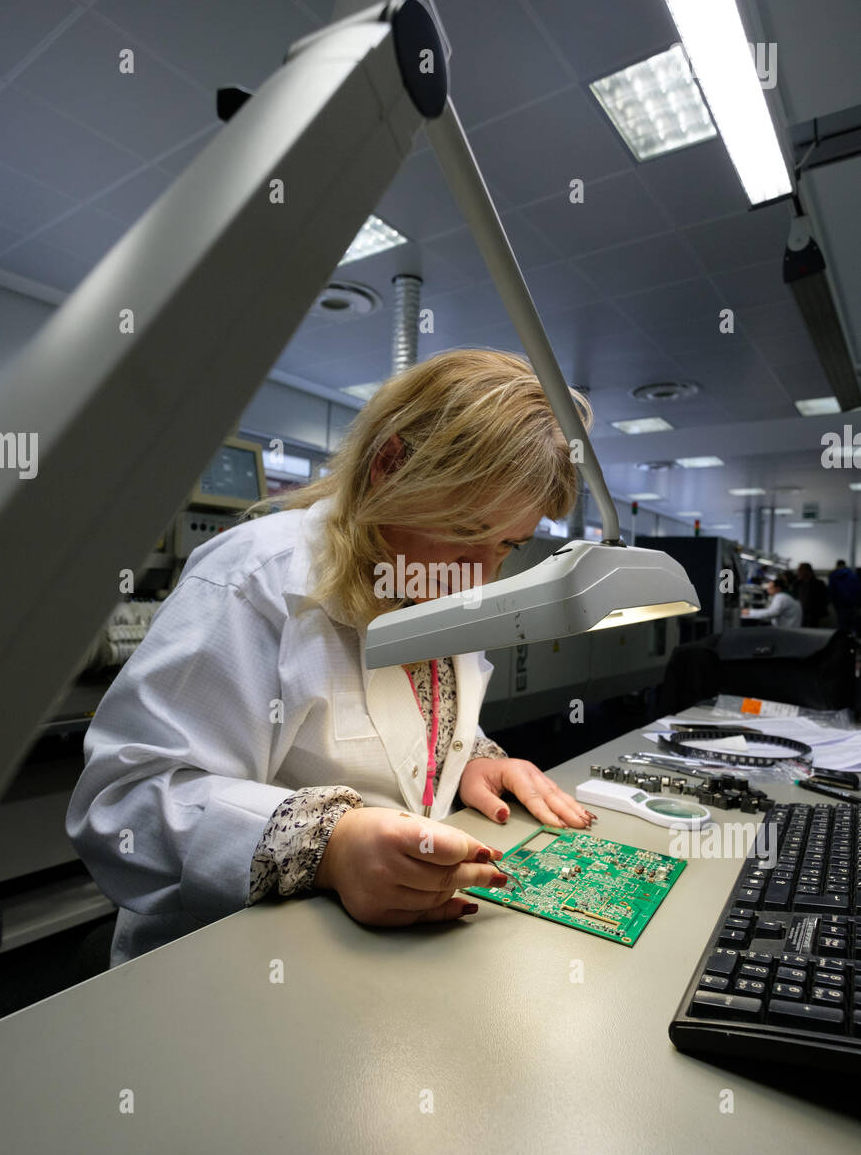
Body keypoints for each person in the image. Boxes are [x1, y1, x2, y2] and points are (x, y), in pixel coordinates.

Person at [66, 349, 597, 966]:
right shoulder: (257, 579)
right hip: (220, 965)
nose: (478, 576)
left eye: (506, 544)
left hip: (375, 955)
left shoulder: (436, 582)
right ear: (391, 465)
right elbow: (123, 802)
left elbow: (413, 718)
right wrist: (328, 846)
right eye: (464, 530)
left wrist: (467, 760)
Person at [828, 559, 861, 633]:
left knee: (842, 625)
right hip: (852, 604)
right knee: (852, 625)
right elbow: (858, 589)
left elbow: (832, 591)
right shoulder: (853, 575)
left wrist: (834, 603)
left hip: (840, 604)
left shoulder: (833, 575)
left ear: (837, 565)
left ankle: (843, 641)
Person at [793, 561, 828, 628]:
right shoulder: (797, 584)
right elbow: (794, 597)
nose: (798, 572)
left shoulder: (819, 584)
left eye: (800, 570)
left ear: (807, 571)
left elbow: (824, 599)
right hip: (800, 612)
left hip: (815, 613)